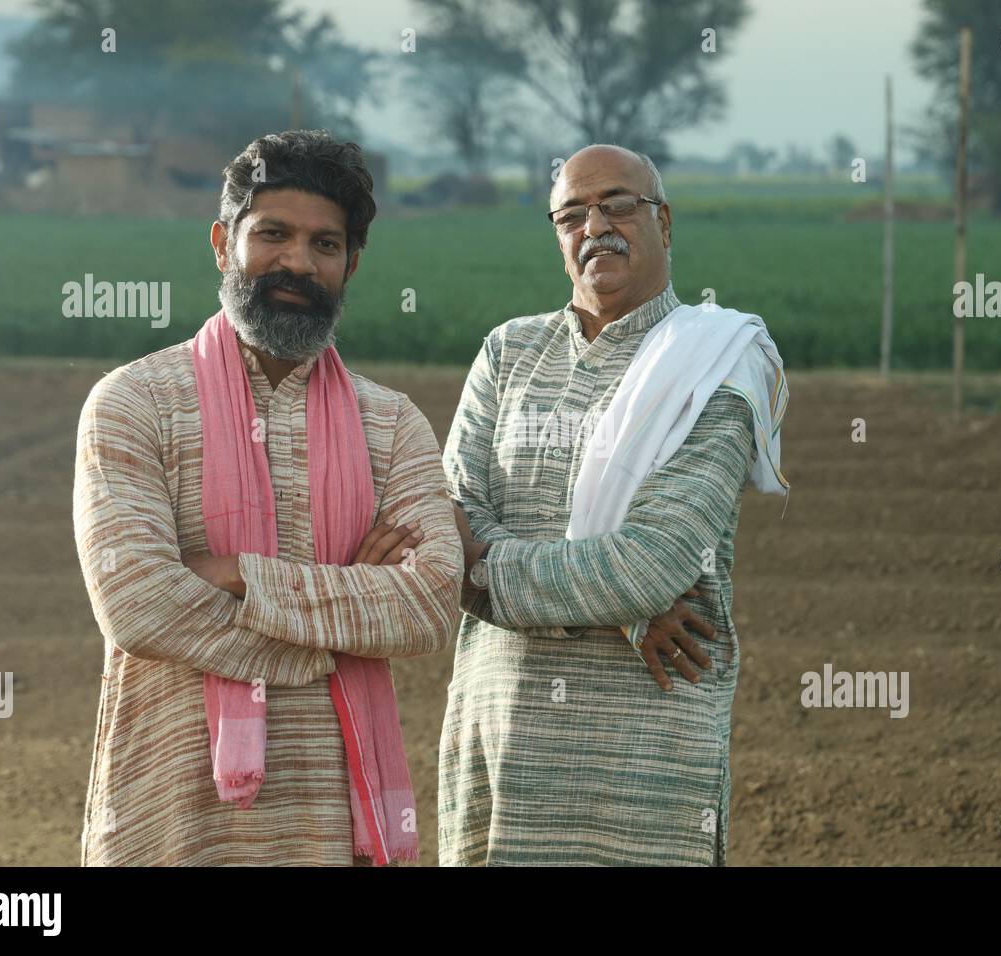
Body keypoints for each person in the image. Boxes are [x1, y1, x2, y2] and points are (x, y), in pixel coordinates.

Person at [74, 130, 461, 866]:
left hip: (332, 821)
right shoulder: (134, 403)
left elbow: (431, 603)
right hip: (172, 814)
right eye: (273, 235)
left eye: (324, 245)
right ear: (223, 243)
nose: (297, 263)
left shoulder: (391, 424)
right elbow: (138, 604)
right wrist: (342, 622)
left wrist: (238, 575)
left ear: (350, 265)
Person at [439, 143, 791, 866]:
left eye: (617, 205)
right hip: (503, 732)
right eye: (571, 214)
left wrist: (485, 572)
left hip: (645, 750)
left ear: (663, 222)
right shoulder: (508, 353)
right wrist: (624, 607)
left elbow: (651, 564)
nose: (594, 225)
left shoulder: (718, 362)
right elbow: (447, 516)